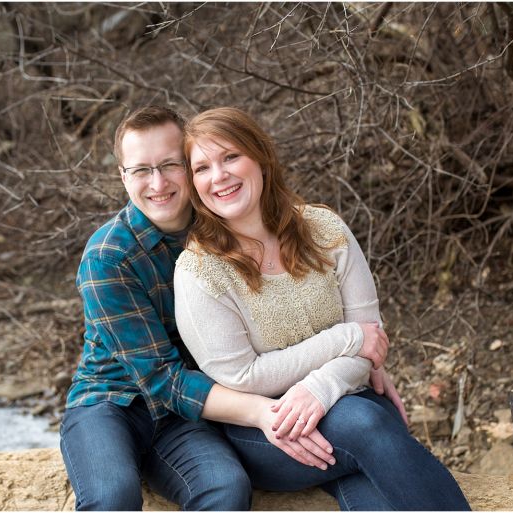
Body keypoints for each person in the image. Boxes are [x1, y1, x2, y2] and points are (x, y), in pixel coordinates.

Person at [60, 106, 393, 511]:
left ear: (190, 166)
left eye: (170, 165)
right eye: (141, 170)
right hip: (112, 403)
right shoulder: (108, 257)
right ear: (123, 176)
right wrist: (263, 412)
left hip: (188, 416)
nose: (158, 183)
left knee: (226, 487)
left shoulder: (227, 222)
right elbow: (162, 379)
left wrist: (358, 365)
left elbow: (284, 314)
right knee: (112, 495)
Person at [174, 106, 472, 510]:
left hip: (351, 395)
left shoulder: (323, 228)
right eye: (202, 168)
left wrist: (320, 387)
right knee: (364, 424)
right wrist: (346, 338)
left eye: (231, 157)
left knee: (368, 468)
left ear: (260, 157)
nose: (219, 176)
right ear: (194, 184)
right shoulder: (199, 270)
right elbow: (241, 375)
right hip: (268, 428)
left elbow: (372, 336)